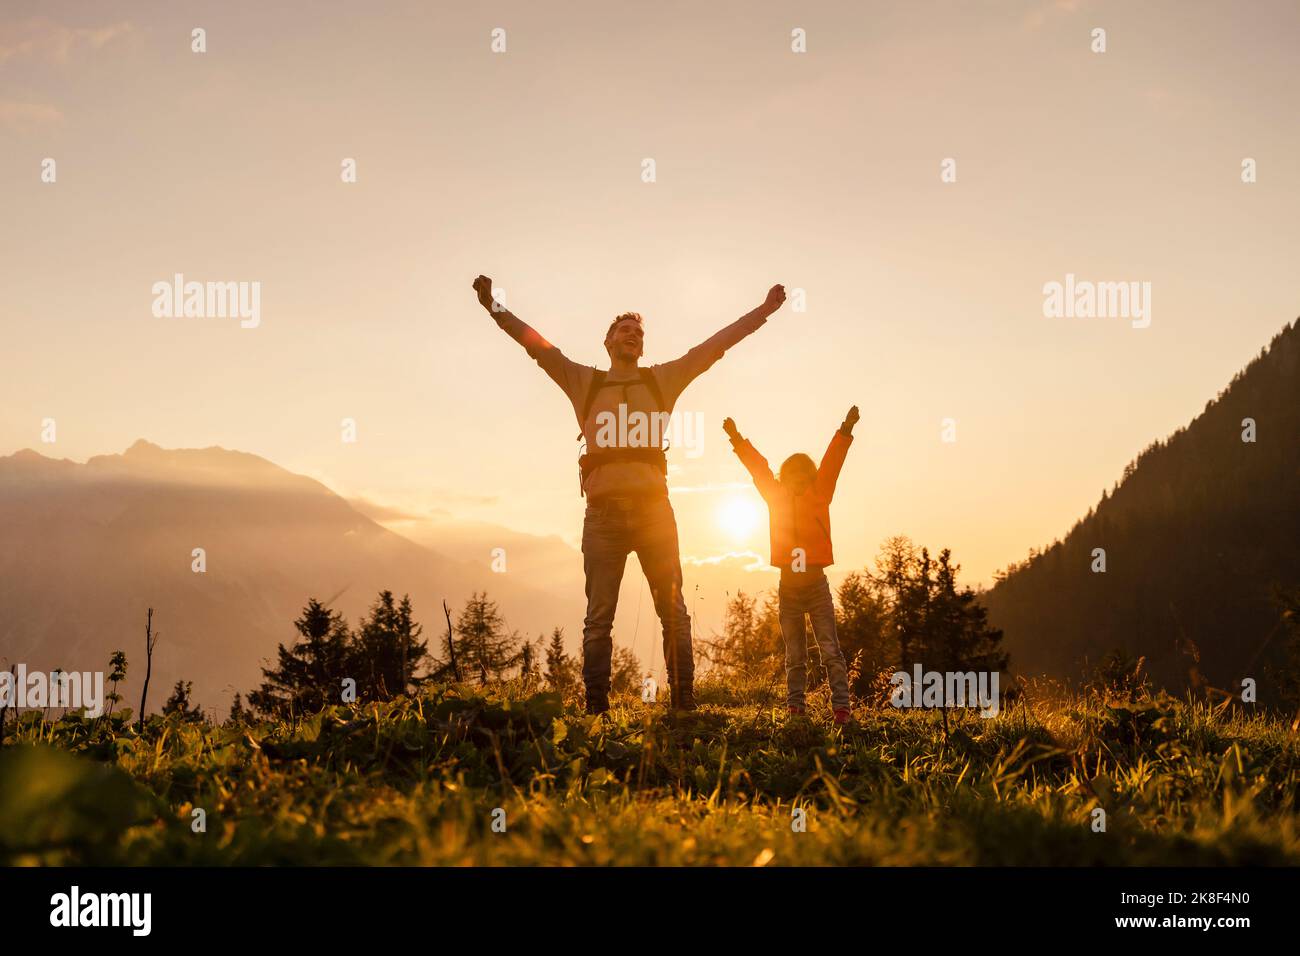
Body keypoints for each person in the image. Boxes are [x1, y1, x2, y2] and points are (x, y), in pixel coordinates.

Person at [473, 274, 786, 714]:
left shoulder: (662, 381)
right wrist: (494, 306)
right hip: (603, 517)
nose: (633, 335)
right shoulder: (585, 382)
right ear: (607, 342)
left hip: (655, 514)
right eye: (625, 330)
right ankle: (596, 709)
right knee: (598, 620)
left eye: (639, 333)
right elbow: (536, 346)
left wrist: (763, 311)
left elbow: (715, 346)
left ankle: (684, 704)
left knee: (673, 612)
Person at [723, 406, 859, 724]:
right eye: (792, 475)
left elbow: (832, 464)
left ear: (810, 477)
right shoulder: (776, 496)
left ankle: (842, 708)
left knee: (830, 650)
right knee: (795, 654)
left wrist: (845, 430)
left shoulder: (820, 493)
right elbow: (758, 469)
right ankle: (795, 707)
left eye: (803, 476)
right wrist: (737, 439)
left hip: (815, 586)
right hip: (790, 589)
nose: (797, 482)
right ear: (785, 477)